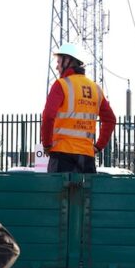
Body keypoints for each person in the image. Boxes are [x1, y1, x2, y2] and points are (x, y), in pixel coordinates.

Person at [41, 42, 116, 173]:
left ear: (68, 60)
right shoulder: (95, 89)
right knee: (85, 194)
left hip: (62, 156)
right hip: (87, 158)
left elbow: (48, 117)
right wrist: (98, 147)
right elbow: (110, 119)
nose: (56, 66)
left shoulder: (61, 85)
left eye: (58, 62)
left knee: (57, 193)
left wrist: (47, 145)